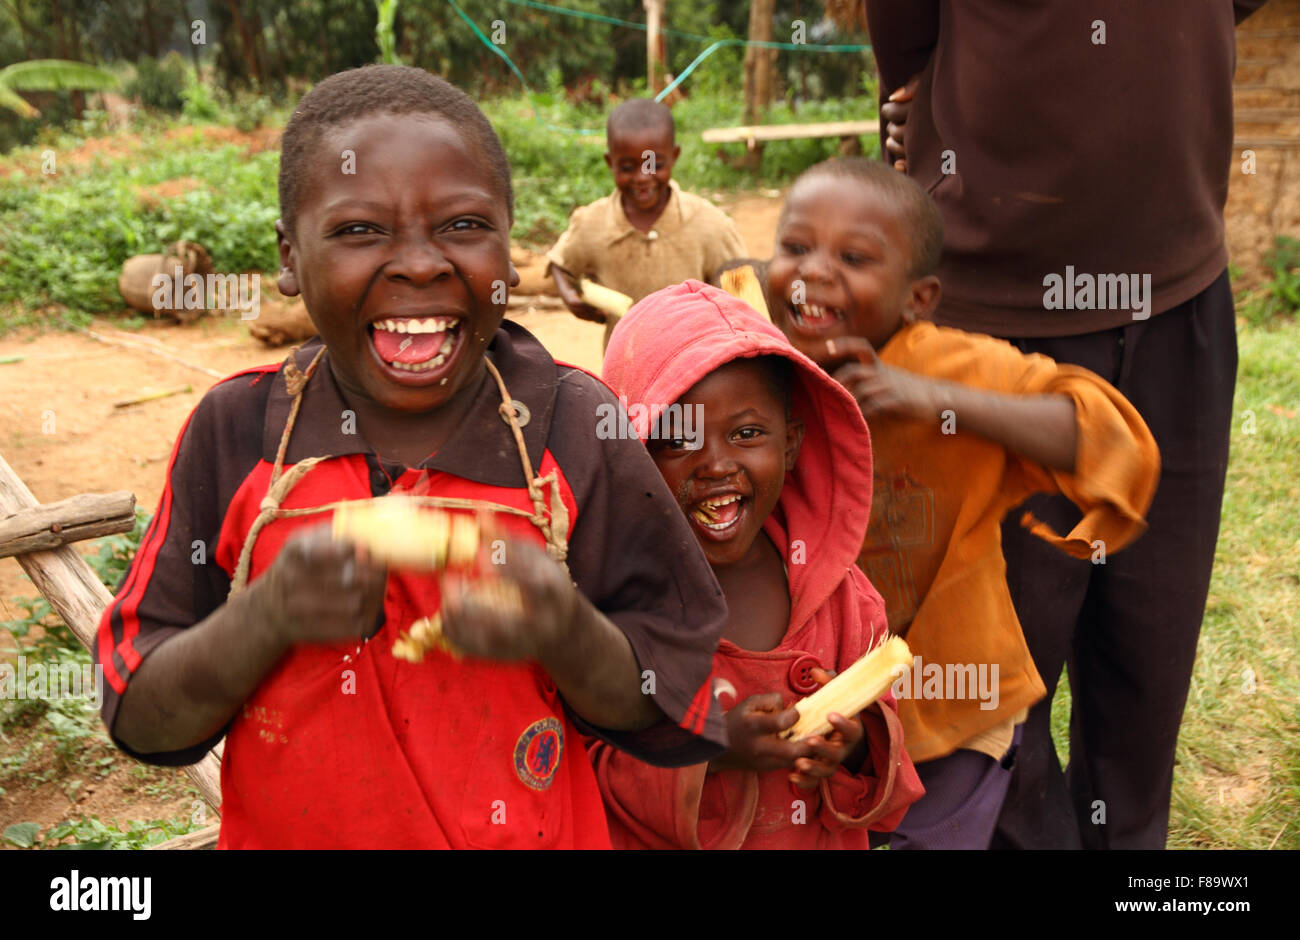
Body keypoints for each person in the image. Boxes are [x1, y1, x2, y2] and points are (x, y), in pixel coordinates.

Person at [94, 65, 729, 850]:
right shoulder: (241, 433)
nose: (421, 264)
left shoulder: (571, 428)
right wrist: (262, 619)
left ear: (509, 244)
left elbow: (676, 701)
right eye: (361, 231)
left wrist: (569, 634)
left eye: (463, 226)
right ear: (290, 260)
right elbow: (141, 717)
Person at [865, 0, 1261, 848]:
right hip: (992, 318)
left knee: (1148, 664)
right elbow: (905, 38)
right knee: (999, 692)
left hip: (1179, 295)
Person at [763, 158, 1160, 848]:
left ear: (919, 298)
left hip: (949, 700)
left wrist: (932, 399)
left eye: (853, 257)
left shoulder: (957, 368)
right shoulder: (757, 364)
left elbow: (1109, 438)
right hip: (814, 702)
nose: (814, 272)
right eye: (795, 248)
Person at [591, 279, 924, 848]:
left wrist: (854, 744)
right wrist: (712, 749)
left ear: (791, 445)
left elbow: (885, 774)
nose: (717, 463)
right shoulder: (612, 609)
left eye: (747, 434)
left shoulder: (843, 596)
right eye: (678, 441)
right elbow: (589, 770)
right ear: (631, 455)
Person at [547, 98, 746, 349]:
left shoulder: (709, 225)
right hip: (623, 372)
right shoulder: (592, 223)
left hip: (695, 367)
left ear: (674, 157)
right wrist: (570, 297)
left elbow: (742, 291)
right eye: (628, 167)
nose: (643, 177)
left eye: (655, 164)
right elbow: (560, 263)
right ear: (610, 163)